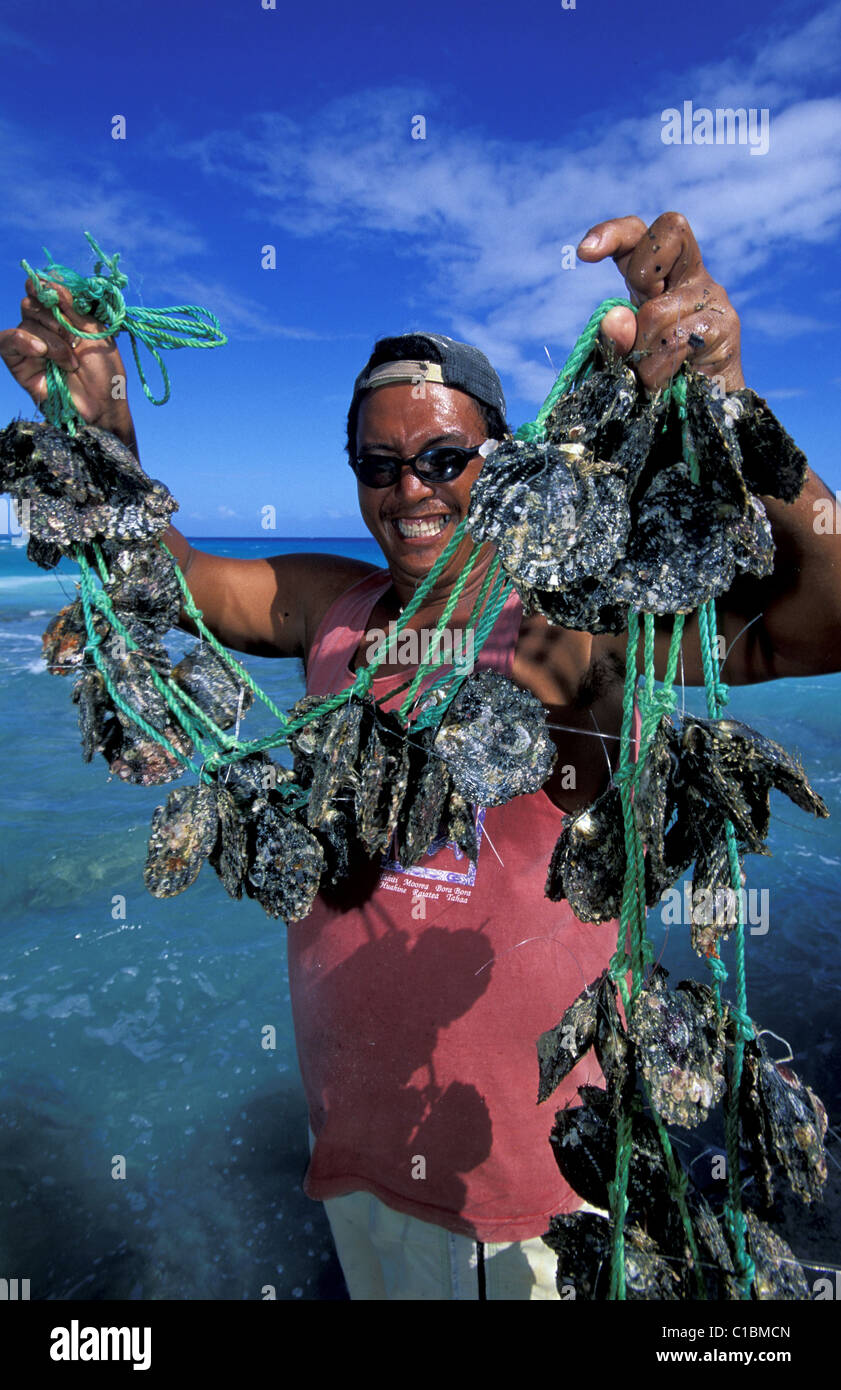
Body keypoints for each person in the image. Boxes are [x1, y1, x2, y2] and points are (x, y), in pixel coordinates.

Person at [3, 211, 841, 1300]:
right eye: (379, 463)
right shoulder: (334, 609)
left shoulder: (567, 621)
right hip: (356, 1158)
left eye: (446, 458)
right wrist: (98, 409)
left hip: (528, 1194)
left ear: (500, 458)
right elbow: (157, 578)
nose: (411, 490)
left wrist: (728, 397)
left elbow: (816, 618)